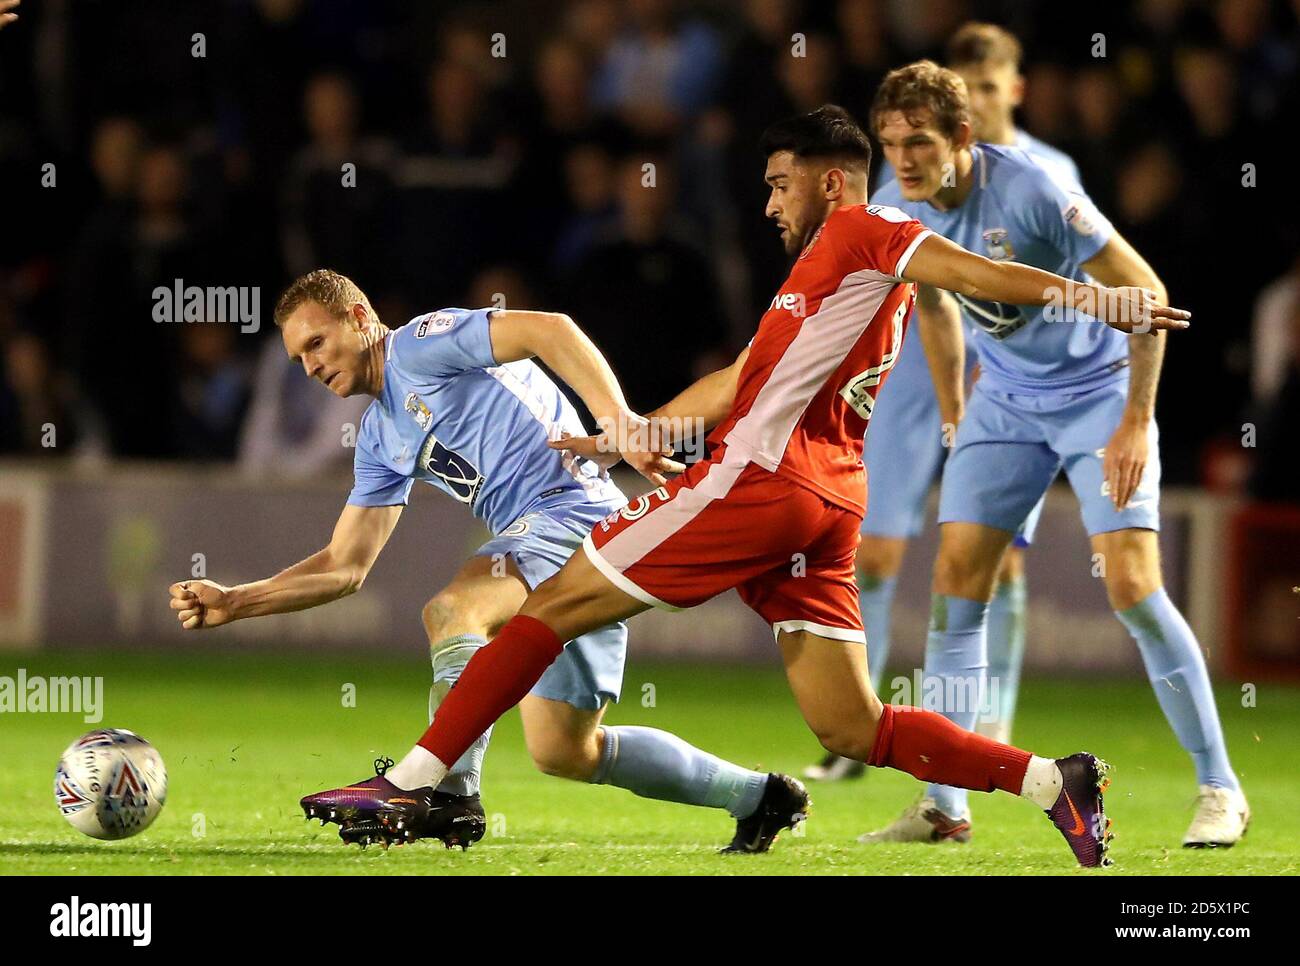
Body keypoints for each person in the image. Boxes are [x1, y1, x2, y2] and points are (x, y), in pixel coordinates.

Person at [295, 106, 1190, 867]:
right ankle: (1052, 782)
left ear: (832, 183)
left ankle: (415, 783)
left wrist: (1095, 299)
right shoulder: (820, 278)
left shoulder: (863, 229)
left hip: (760, 481)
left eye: (778, 183)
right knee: (852, 726)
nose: (768, 203)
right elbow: (741, 380)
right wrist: (638, 431)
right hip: (826, 500)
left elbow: (977, 274)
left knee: (545, 610)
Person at [167, 269, 804, 854]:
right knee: (565, 750)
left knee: (453, 609)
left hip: (570, 507)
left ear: (360, 319)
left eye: (316, 343)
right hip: (553, 536)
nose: (308, 367)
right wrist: (238, 600)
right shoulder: (381, 435)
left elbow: (549, 330)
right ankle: (760, 797)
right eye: (297, 357)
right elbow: (345, 564)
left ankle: (447, 792)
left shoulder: (420, 344)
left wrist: (621, 423)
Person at [857, 62, 1247, 849]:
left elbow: (1144, 291)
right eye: (890, 142)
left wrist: (1137, 421)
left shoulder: (1031, 189)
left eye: (919, 142)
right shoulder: (894, 204)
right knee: (955, 580)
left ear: (963, 138)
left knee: (1134, 586)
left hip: (1099, 394)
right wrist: (957, 410)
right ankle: (944, 805)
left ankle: (1220, 787)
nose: (902, 158)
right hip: (1003, 401)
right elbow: (932, 301)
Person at [808, 22, 1077, 785]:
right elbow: (900, 286)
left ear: (1011, 92)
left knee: (996, 562)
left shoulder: (1047, 171)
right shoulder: (908, 182)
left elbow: (1079, 275)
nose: (985, 103)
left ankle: (990, 723)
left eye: (994, 88)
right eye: (973, 87)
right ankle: (855, 723)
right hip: (910, 386)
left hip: (1005, 381)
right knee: (876, 555)